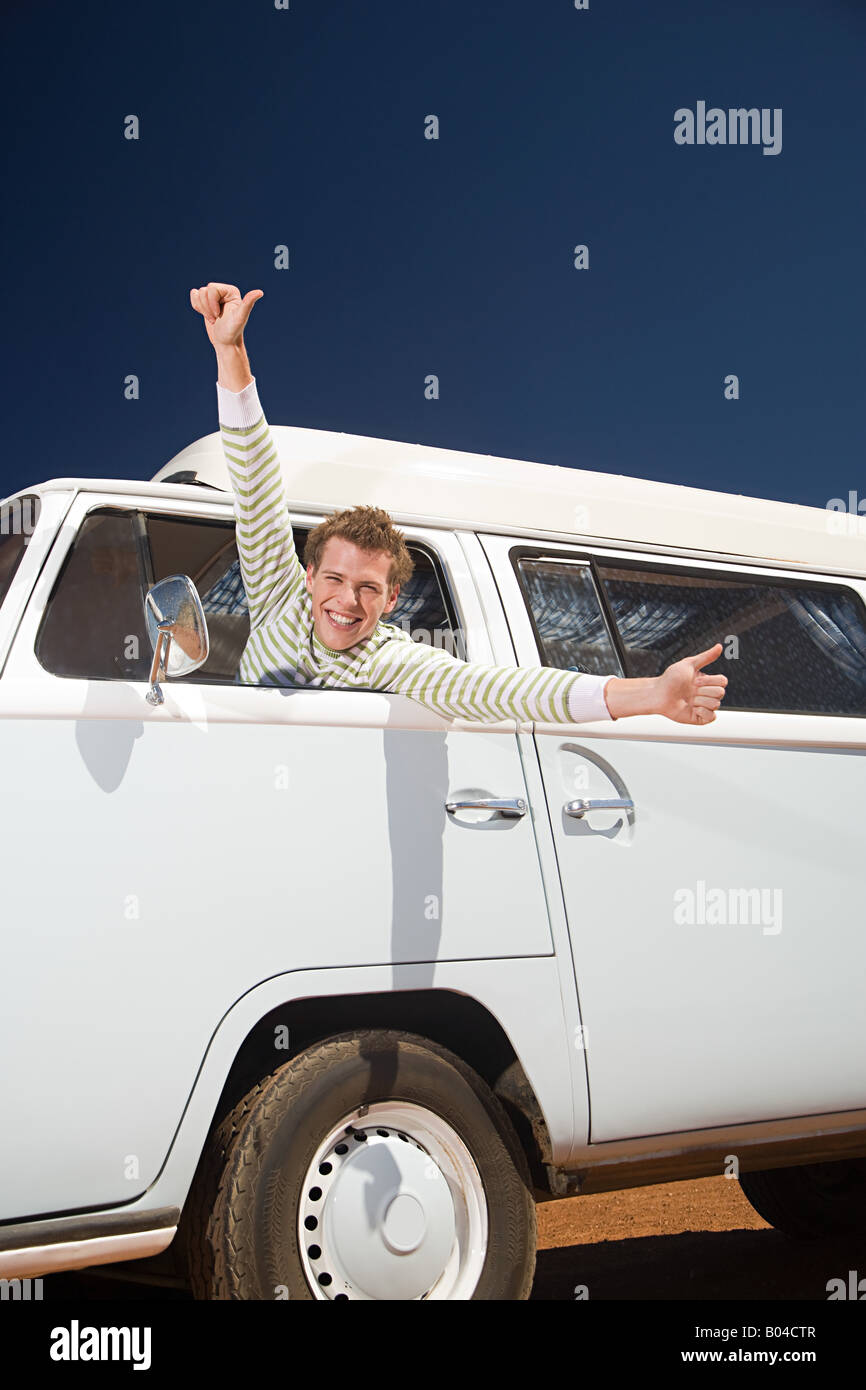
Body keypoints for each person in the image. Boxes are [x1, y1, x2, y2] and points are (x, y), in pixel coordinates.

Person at [190, 281, 728, 726]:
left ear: (393, 598)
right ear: (309, 577)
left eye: (368, 588)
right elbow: (254, 480)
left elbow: (500, 689)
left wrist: (650, 694)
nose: (347, 602)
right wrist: (230, 350)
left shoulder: (393, 658)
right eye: (334, 579)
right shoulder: (276, 596)